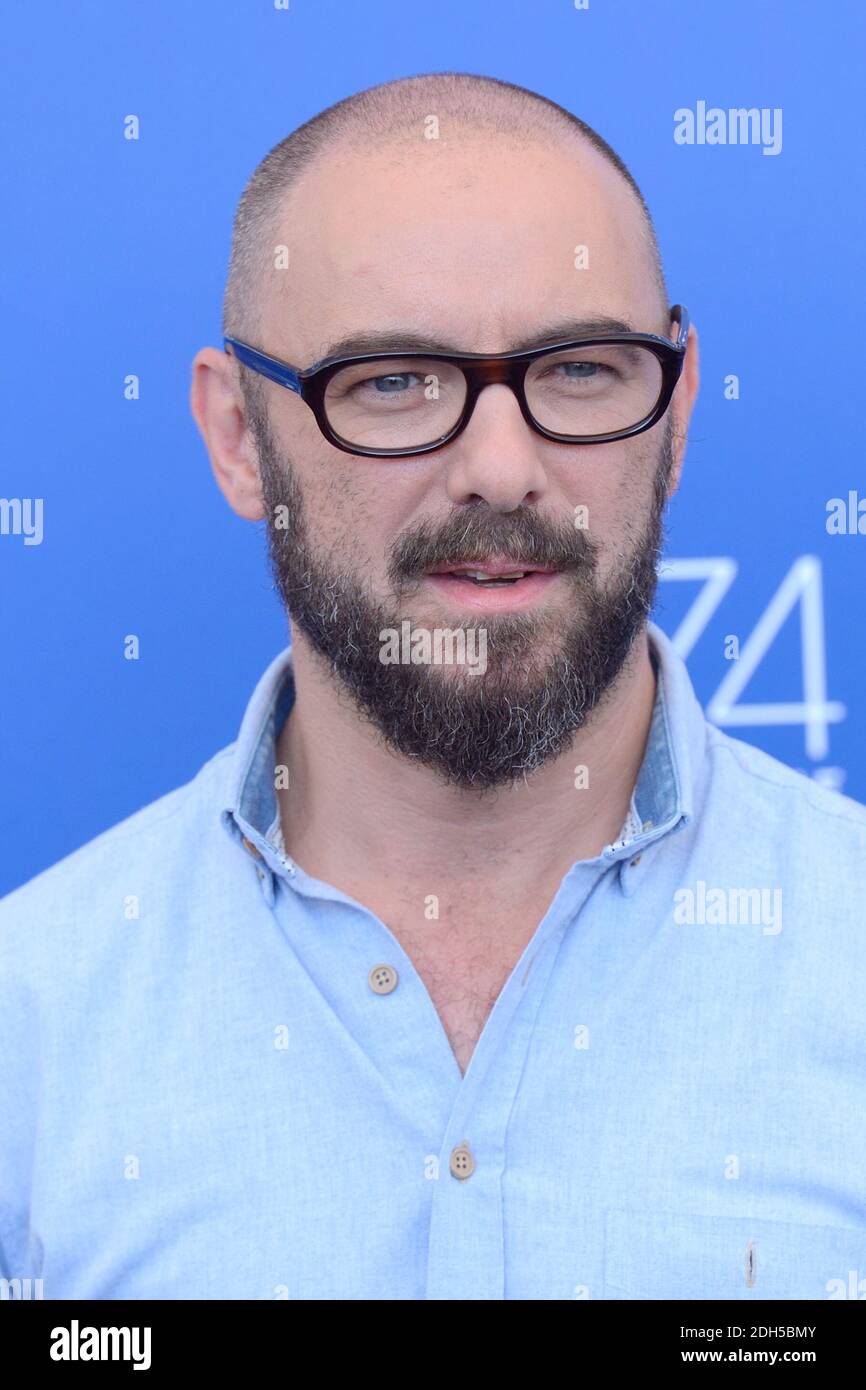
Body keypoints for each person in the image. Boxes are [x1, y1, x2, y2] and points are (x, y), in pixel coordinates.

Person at [2, 72, 865, 1302]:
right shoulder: (29, 1036)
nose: (501, 467)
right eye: (394, 382)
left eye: (577, 369)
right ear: (239, 438)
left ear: (674, 412)